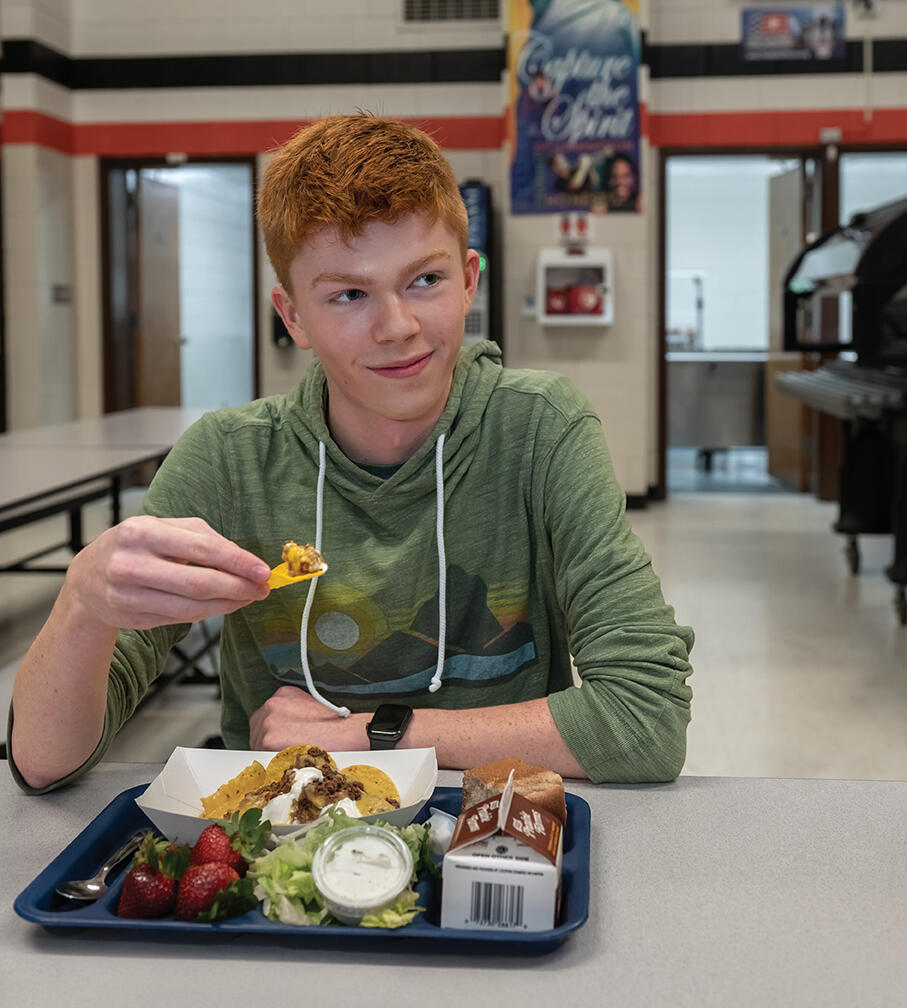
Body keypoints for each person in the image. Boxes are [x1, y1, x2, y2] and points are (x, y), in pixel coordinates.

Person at [9, 113, 692, 794]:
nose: (397, 327)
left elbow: (646, 718)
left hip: (488, 829)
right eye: (348, 295)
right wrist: (82, 603)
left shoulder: (540, 429)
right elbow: (43, 762)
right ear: (293, 317)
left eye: (424, 280)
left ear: (468, 281)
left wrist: (373, 733)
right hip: (285, 838)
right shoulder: (229, 461)